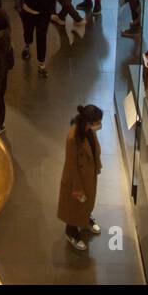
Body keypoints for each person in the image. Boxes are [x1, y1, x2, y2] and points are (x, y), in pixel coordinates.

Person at [58, 104, 104, 251]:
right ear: (88, 122)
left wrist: (97, 165)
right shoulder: (73, 138)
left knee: (87, 201)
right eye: (97, 122)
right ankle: (71, 232)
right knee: (74, 206)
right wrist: (77, 187)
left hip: (88, 175)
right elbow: (71, 164)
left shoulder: (88, 131)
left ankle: (85, 219)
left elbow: (94, 148)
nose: (99, 125)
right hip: (76, 179)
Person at [19, 0, 56, 77]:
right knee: (28, 32)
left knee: (41, 39)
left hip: (42, 15)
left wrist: (49, 13)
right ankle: (27, 45)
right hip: (28, 12)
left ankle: (41, 63)